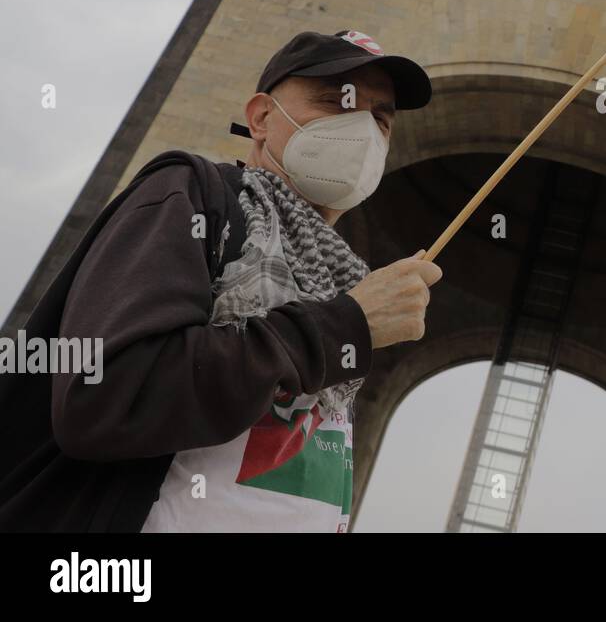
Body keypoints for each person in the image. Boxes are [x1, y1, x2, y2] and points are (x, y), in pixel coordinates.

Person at [0, 29, 443, 532]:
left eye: (380, 119)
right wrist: (340, 327)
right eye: (336, 100)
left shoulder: (340, 280)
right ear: (261, 117)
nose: (362, 130)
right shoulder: (193, 197)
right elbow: (105, 394)